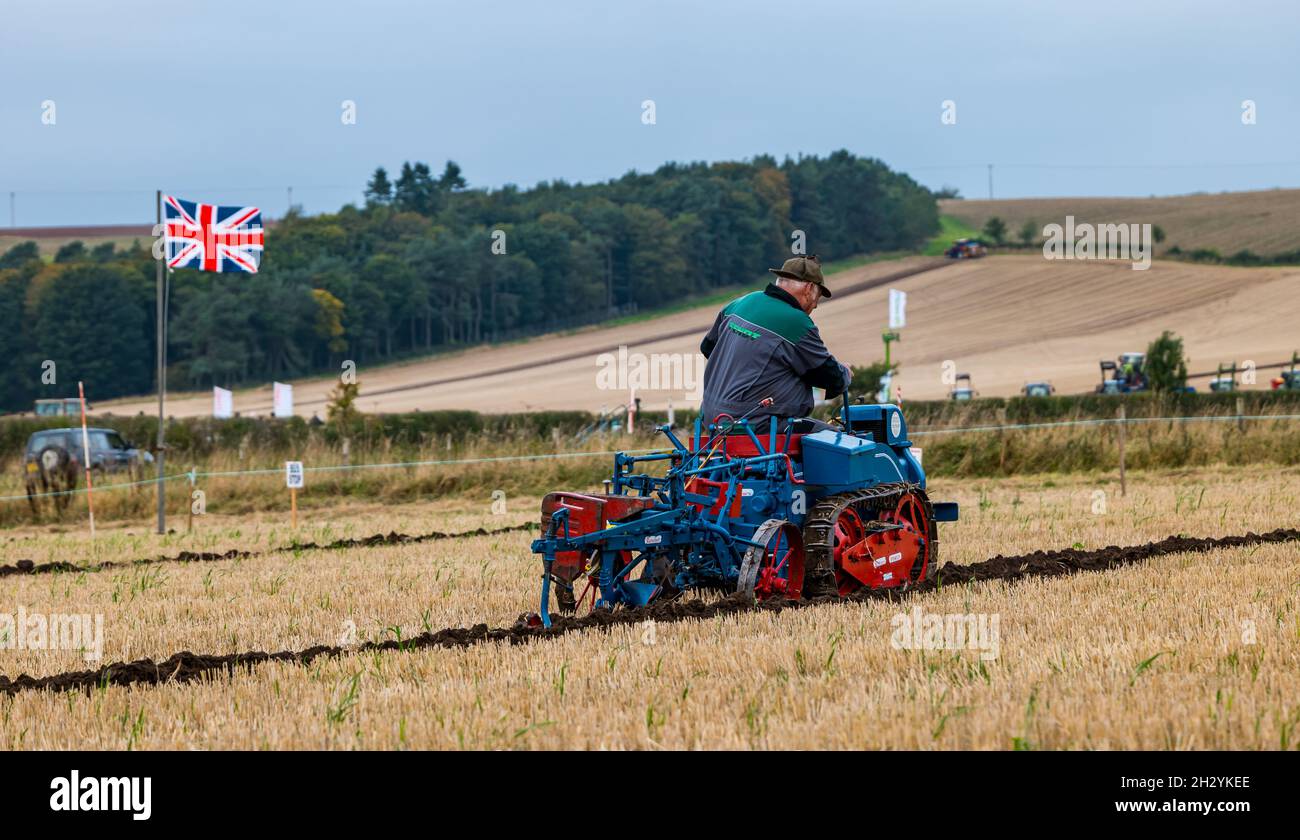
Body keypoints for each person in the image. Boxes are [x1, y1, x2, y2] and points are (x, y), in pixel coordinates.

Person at [699, 254, 850, 430]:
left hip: (711, 418)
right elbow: (830, 377)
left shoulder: (743, 301)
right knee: (837, 438)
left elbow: (708, 348)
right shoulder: (796, 322)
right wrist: (845, 373)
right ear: (809, 288)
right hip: (755, 423)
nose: (815, 305)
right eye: (818, 297)